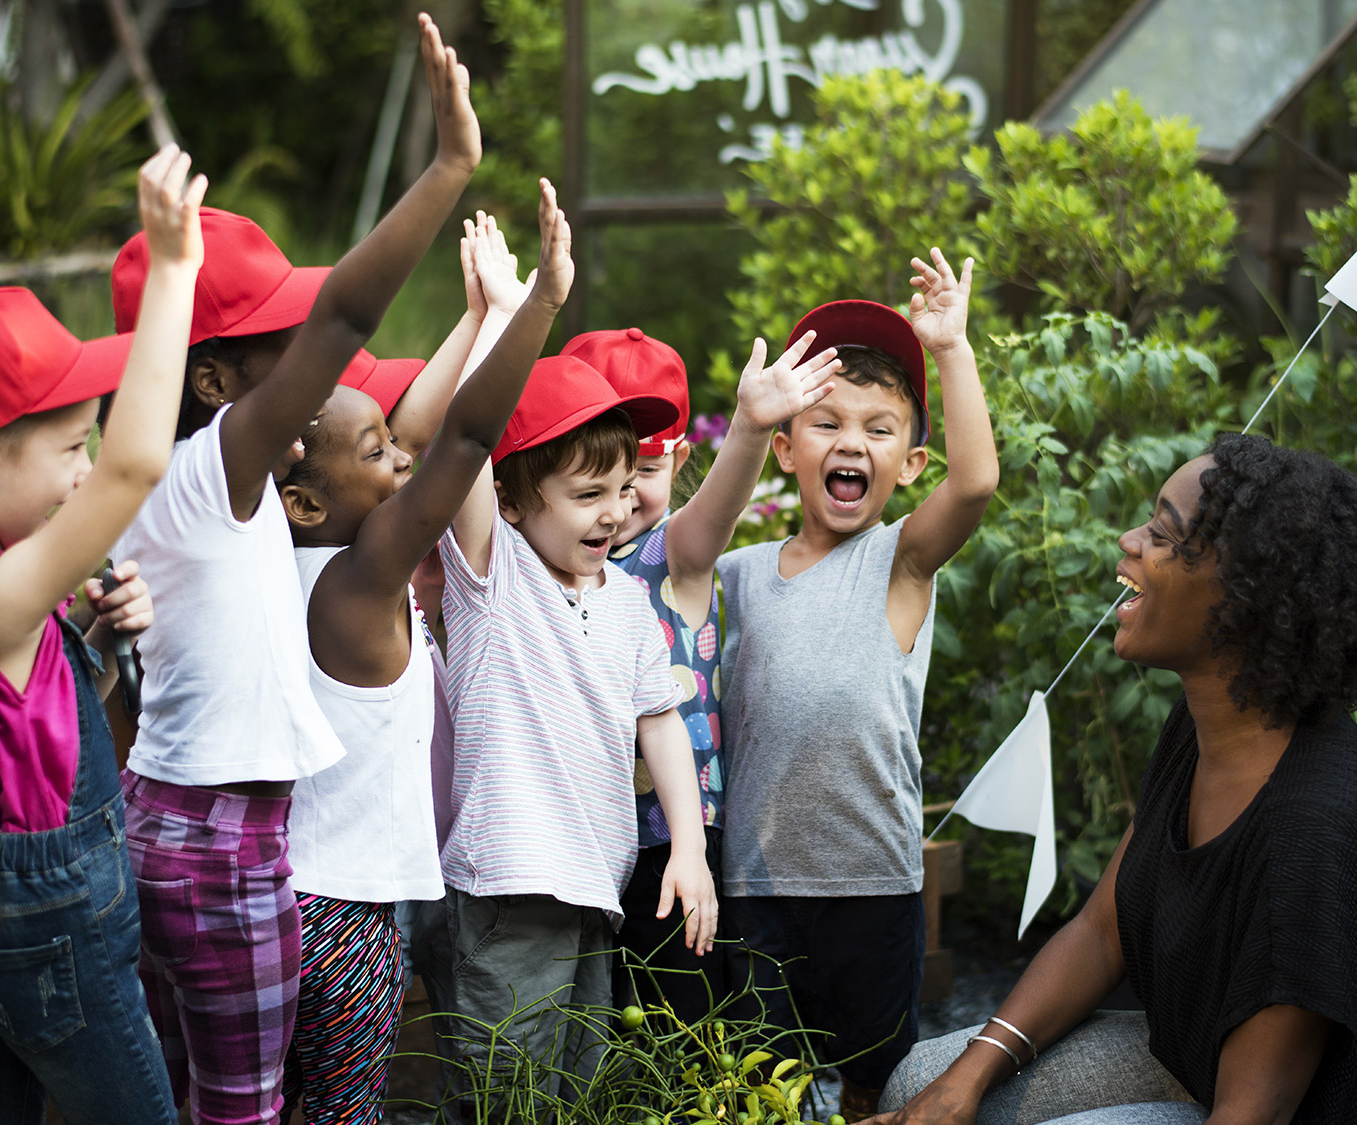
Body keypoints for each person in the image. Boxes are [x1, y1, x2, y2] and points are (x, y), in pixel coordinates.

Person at [107, 15, 480, 1123]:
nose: (314, 363)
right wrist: (449, 169)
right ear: (217, 380)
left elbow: (397, 432)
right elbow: (353, 314)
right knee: (245, 1112)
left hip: (196, 827)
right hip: (223, 849)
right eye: (285, 343)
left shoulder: (213, 489)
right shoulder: (214, 473)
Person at [875, 433, 1357, 1125]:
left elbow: (1250, 1112)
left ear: (1246, 596)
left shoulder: (1313, 828)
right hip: (1190, 1054)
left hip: (1265, 1107)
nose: (1129, 539)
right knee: (923, 1078)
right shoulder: (1202, 728)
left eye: (1162, 532)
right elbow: (1103, 932)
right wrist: (966, 1079)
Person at [0, 146, 204, 1125]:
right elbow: (136, 468)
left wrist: (88, 640)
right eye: (67, 449)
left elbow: (5, 739)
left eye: (86, 447)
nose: (82, 471)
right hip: (48, 923)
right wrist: (173, 268)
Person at [274, 188, 571, 1125]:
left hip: (294, 898)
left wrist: (478, 316)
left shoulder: (293, 554)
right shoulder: (357, 583)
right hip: (346, 918)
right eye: (381, 454)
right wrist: (539, 308)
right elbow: (465, 439)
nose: (402, 459)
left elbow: (402, 432)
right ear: (312, 499)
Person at [717, 249, 999, 1115]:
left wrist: (950, 347)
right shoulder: (737, 573)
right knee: (765, 1088)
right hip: (755, 886)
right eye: (828, 422)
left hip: (872, 881)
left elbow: (979, 480)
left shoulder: (901, 560)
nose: (851, 442)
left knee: (875, 1085)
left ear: (910, 464)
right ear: (786, 447)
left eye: (880, 430)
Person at [431, 341, 719, 1115]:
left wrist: (689, 850)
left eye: (626, 488)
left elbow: (660, 723)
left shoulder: (627, 602)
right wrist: (502, 318)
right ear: (514, 500)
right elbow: (464, 435)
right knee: (504, 1091)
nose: (616, 510)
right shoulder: (493, 575)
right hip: (513, 885)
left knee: (577, 1088)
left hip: (598, 888)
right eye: (589, 492)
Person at [559, 326, 838, 1022]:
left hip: (671, 841)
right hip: (577, 837)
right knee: (595, 1026)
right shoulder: (547, 560)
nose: (621, 502)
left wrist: (748, 425)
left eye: (645, 472)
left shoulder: (670, 553)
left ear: (679, 459)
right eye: (600, 476)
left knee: (683, 1022)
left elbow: (715, 511)